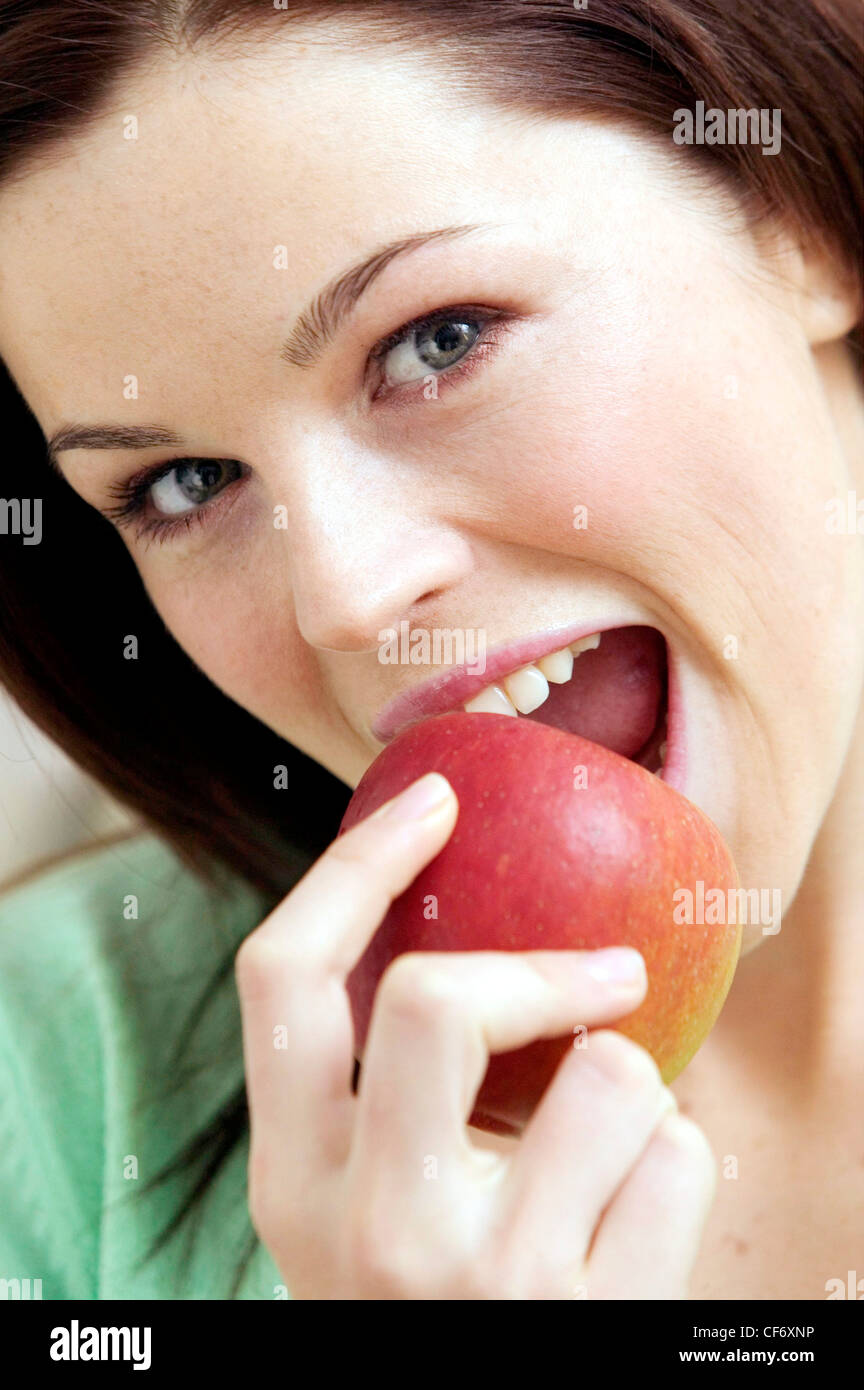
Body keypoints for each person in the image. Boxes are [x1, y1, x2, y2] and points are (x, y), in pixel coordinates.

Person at [0, 0, 861, 1301]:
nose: (340, 593)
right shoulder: (47, 1083)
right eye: (182, 483)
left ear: (794, 218)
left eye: (437, 339)